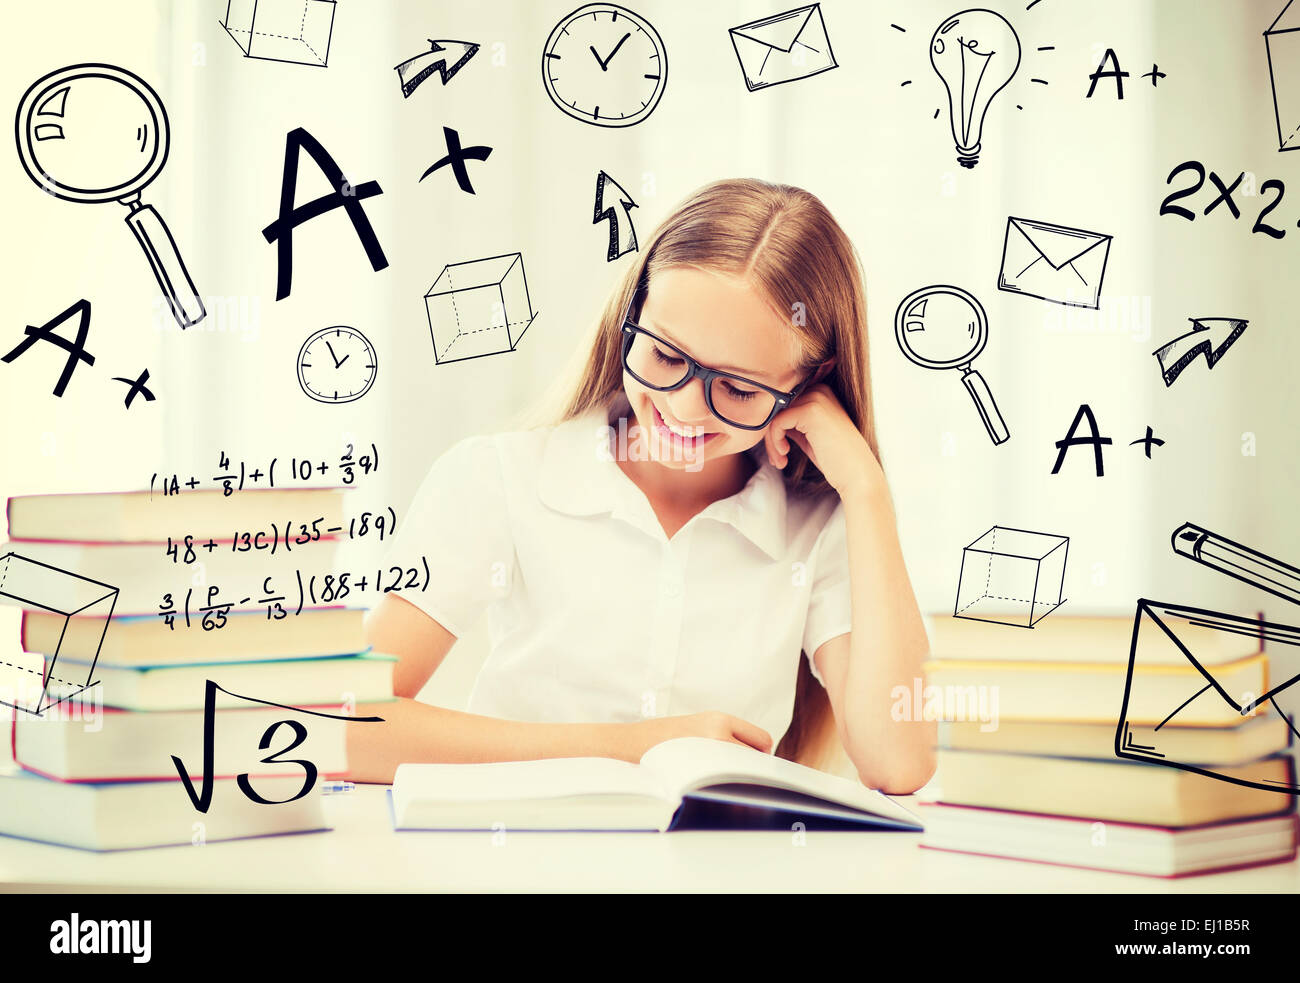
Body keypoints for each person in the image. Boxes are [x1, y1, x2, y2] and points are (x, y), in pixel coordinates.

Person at [346, 178, 934, 793]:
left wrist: (867, 490)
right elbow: (344, 722)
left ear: (812, 383)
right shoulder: (499, 477)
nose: (683, 409)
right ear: (631, 315)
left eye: (738, 389)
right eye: (665, 356)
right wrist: (631, 749)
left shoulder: (818, 526)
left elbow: (899, 764)